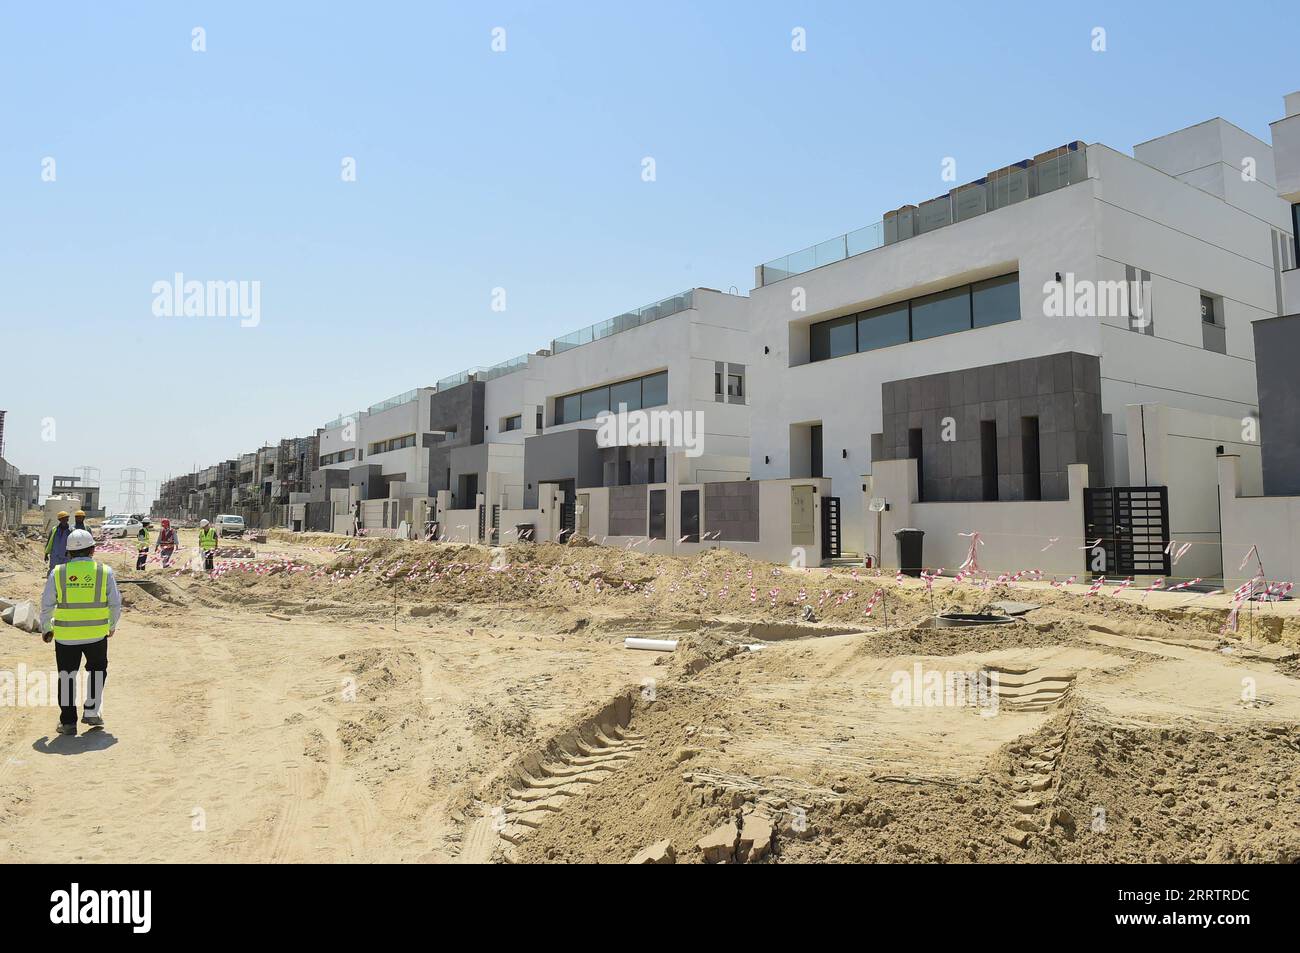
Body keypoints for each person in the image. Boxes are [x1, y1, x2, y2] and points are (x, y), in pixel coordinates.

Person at [40, 528, 120, 736]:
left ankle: (68, 723)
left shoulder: (57, 573)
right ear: (93, 550)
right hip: (96, 635)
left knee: (67, 677)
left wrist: (47, 628)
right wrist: (111, 626)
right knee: (97, 672)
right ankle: (92, 712)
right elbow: (115, 604)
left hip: (66, 637)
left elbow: (46, 604)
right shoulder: (105, 572)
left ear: (68, 553)